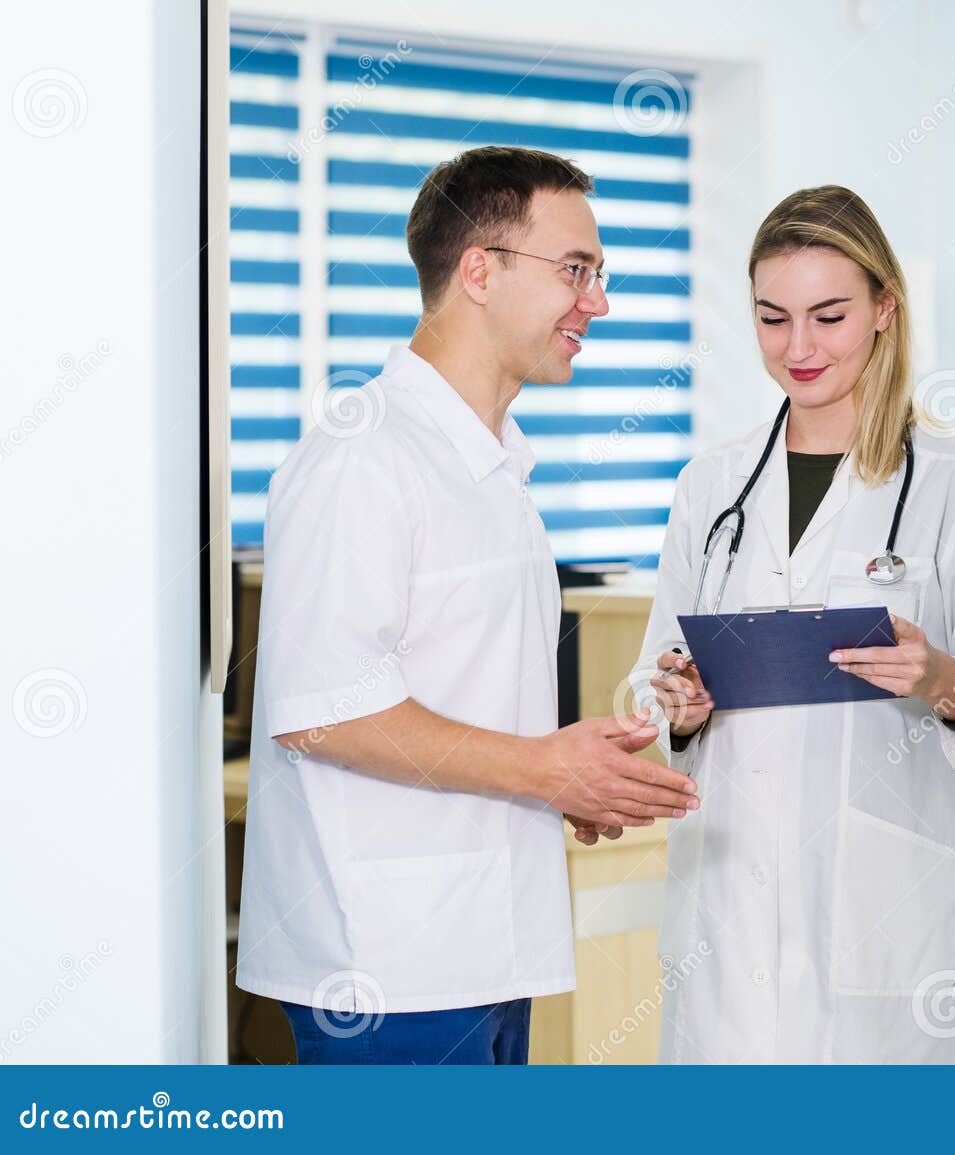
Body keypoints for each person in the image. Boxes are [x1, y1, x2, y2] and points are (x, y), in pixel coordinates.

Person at [236, 146, 700, 1065]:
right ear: (478, 271)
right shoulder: (362, 457)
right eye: (576, 269)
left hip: (484, 953)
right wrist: (543, 769)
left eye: (598, 272)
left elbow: (466, 702)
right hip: (386, 970)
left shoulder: (494, 468)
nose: (596, 301)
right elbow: (324, 712)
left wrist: (576, 770)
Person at [632, 185, 955, 1062]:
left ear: (884, 308)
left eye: (829, 315)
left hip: (885, 918)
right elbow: (654, 674)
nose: (798, 348)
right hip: (726, 908)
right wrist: (674, 706)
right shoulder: (710, 488)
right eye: (773, 318)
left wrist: (944, 678)